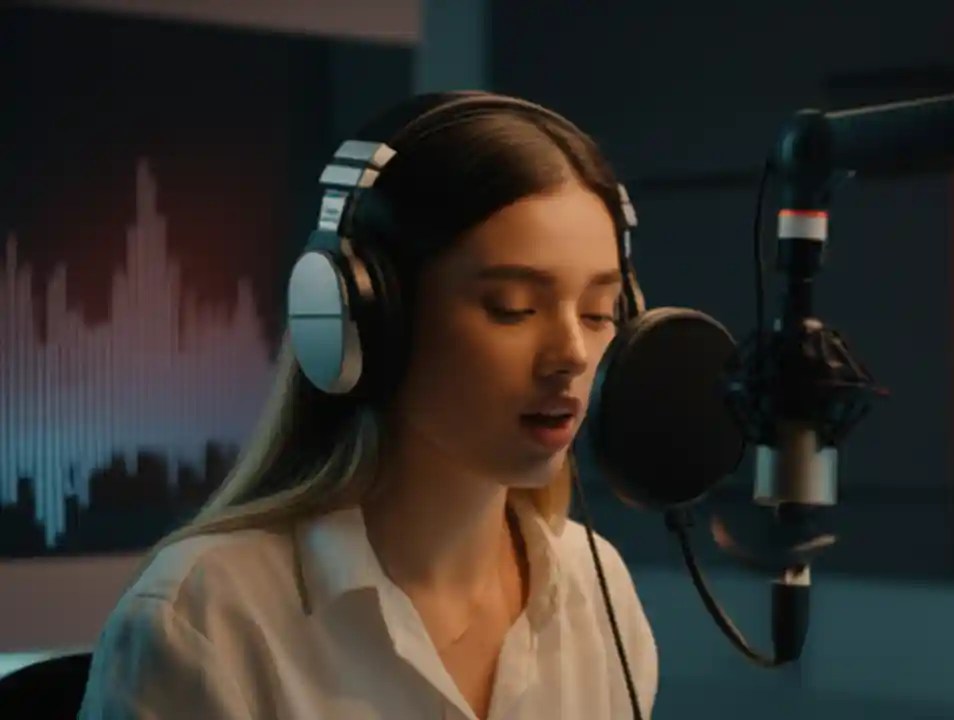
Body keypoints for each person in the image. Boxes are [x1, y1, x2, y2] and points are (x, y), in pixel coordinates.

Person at [78, 91, 659, 720]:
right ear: (367, 317)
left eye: (599, 313)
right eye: (513, 307)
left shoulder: (596, 588)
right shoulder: (207, 616)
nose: (573, 354)